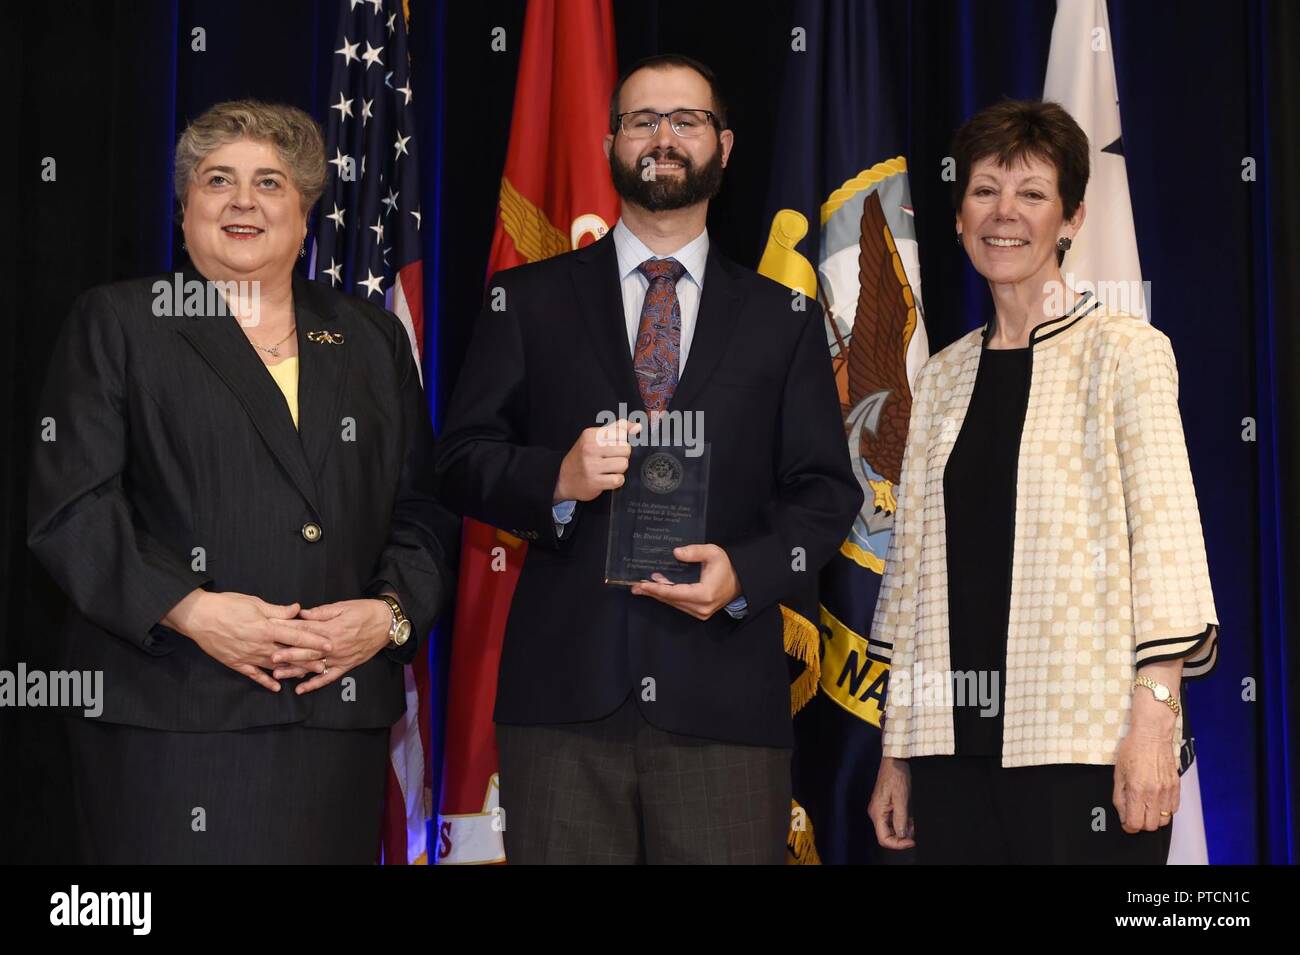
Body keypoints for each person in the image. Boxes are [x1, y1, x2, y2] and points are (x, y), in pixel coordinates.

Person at [436, 55, 862, 864]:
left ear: (724, 146)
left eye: (685, 121)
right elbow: (458, 460)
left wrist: (744, 571)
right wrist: (555, 478)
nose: (663, 138)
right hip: (562, 706)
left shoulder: (786, 318)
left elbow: (824, 491)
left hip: (725, 706)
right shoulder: (526, 300)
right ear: (611, 142)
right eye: (642, 121)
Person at [28, 100, 458, 863]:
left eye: (269, 183)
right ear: (185, 208)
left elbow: (421, 511)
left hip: (335, 719)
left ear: (305, 213)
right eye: (217, 179)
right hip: (172, 713)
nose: (242, 200)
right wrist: (189, 610)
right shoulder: (121, 322)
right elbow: (73, 513)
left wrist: (389, 616)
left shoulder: (369, 336)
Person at [866, 99, 1220, 864]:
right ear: (958, 216)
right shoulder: (941, 376)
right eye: (984, 191)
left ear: (1071, 218)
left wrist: (1155, 722)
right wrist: (897, 751)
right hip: (950, 750)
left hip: (1085, 746)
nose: (1005, 213)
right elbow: (909, 580)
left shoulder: (1127, 352)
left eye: (1031, 193)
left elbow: (1167, 543)